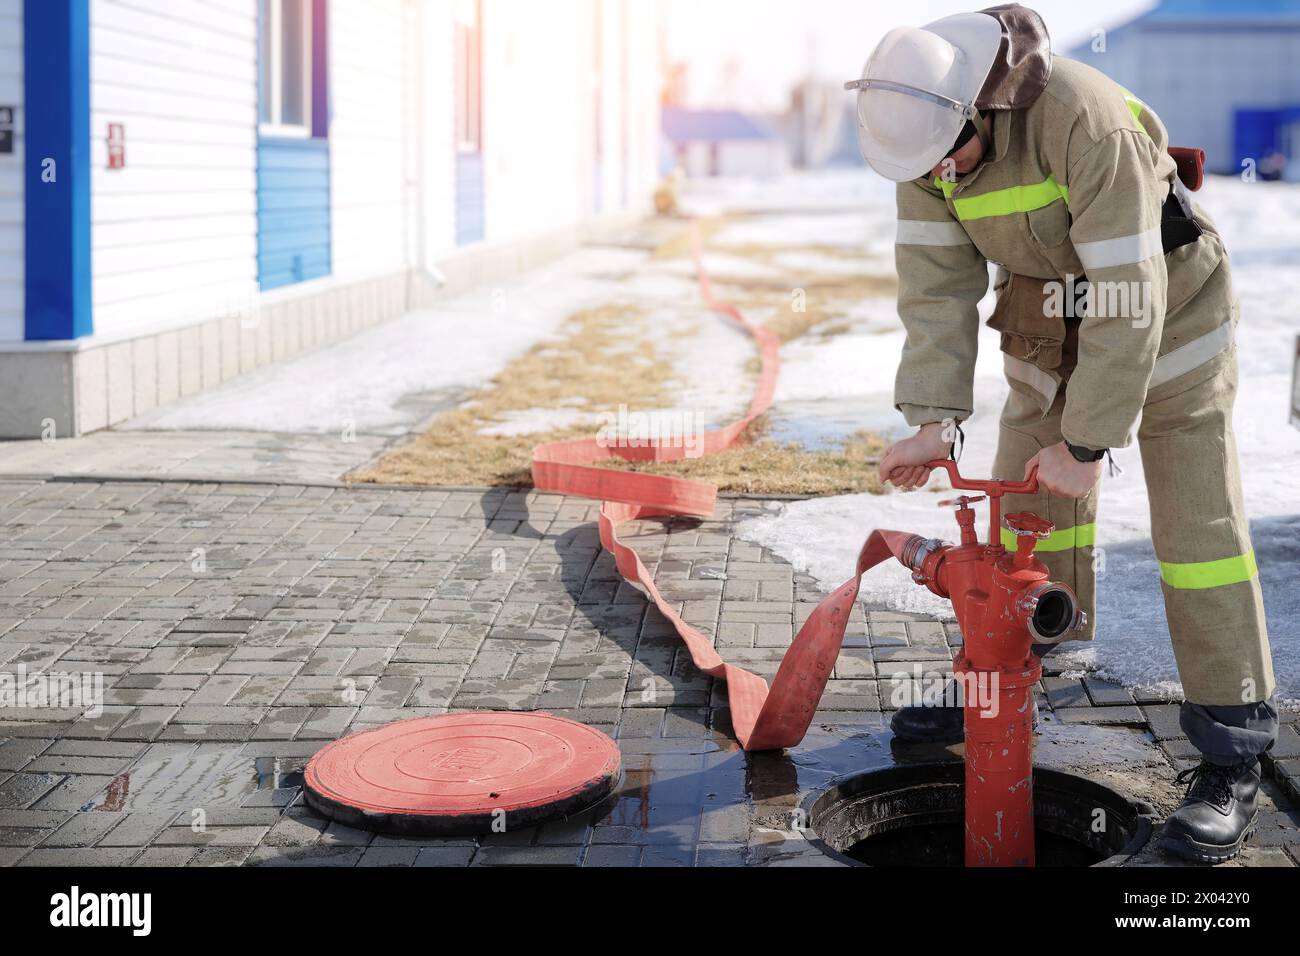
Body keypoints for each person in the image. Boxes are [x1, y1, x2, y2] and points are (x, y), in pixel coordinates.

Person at [846, 3, 1278, 863]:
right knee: (1025, 507)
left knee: (1199, 535)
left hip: (1169, 318)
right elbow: (935, 288)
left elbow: (1131, 290)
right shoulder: (922, 137)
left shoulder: (1081, 117)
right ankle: (1029, 659)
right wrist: (933, 419)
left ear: (981, 109)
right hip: (1051, 324)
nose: (940, 176)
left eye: (950, 158)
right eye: (925, 168)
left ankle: (1233, 751)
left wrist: (1088, 443)